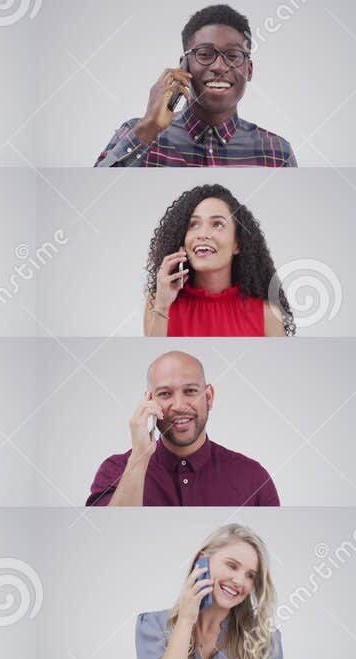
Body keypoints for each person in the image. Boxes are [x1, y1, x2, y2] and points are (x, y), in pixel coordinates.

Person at [95, 4, 296, 167]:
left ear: (249, 70)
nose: (219, 66)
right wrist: (149, 127)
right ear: (183, 65)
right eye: (205, 54)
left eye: (233, 56)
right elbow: (95, 195)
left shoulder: (277, 152)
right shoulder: (136, 132)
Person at [86, 351, 278, 507]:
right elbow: (111, 535)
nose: (178, 405)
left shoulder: (253, 477)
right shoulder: (115, 471)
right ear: (149, 401)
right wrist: (139, 457)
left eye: (190, 391)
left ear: (209, 397)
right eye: (165, 394)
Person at [143, 184, 292, 336]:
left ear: (238, 244)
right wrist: (162, 307)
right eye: (193, 224)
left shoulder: (268, 315)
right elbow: (154, 355)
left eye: (218, 224)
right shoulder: (157, 303)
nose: (203, 234)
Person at [136, 524, 284, 659]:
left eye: (250, 575)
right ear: (202, 561)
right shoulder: (153, 626)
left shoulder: (264, 640)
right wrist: (185, 621)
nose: (240, 581)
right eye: (232, 566)